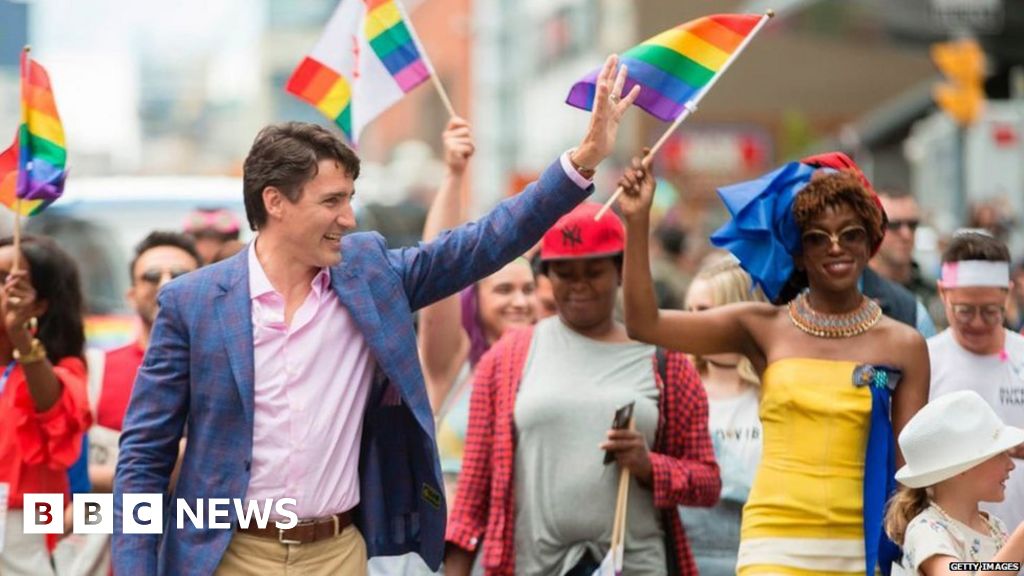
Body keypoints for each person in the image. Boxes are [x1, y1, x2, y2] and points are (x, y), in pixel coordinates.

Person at [113, 54, 641, 576]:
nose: (348, 218)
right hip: (228, 555)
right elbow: (143, 458)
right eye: (332, 201)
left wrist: (583, 159)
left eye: (350, 199)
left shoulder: (369, 274)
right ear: (275, 202)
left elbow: (482, 243)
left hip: (339, 553)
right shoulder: (192, 303)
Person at [618, 152, 930, 575]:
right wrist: (637, 220)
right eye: (817, 237)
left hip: (861, 545)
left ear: (869, 242)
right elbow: (643, 323)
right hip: (773, 542)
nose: (835, 246)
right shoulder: (761, 327)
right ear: (798, 252)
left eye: (850, 234)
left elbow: (911, 470)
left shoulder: (904, 345)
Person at [444, 202, 721, 576]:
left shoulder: (664, 362)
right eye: (564, 273)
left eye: (593, 272)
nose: (579, 286)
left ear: (619, 271)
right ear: (546, 277)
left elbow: (707, 482)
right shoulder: (507, 359)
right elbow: (472, 495)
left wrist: (650, 466)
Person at [0, 234, 91, 576]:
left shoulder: (63, 373)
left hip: (26, 539)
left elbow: (54, 412)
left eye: (5, 279)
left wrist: (20, 336)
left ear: (39, 305)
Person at [927, 231, 1024, 530]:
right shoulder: (926, 361)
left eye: (991, 311)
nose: (978, 323)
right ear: (943, 293)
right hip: (950, 542)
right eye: (965, 311)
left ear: (1007, 295)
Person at [678, 254, 766, 576]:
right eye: (688, 311)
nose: (690, 322)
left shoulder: (776, 388)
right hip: (689, 557)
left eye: (703, 311)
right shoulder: (676, 386)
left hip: (760, 556)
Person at [885, 390, 1024, 575]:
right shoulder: (927, 531)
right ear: (963, 466)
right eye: (999, 454)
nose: (1011, 465)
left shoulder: (995, 528)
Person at [868, 189, 942, 329]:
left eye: (912, 225)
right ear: (872, 229)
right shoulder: (857, 291)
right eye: (893, 225)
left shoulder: (933, 293)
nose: (906, 234)